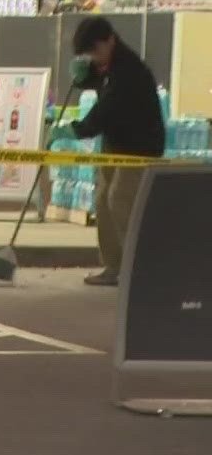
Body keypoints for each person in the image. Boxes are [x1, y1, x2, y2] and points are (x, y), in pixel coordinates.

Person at [57, 16, 166, 286]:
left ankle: (140, 266)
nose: (92, 58)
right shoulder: (108, 65)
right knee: (103, 201)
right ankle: (114, 266)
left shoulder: (129, 71)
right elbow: (101, 85)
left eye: (94, 51)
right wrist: (84, 78)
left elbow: (107, 109)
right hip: (115, 144)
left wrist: (77, 129)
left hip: (139, 147)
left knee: (120, 200)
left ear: (109, 40)